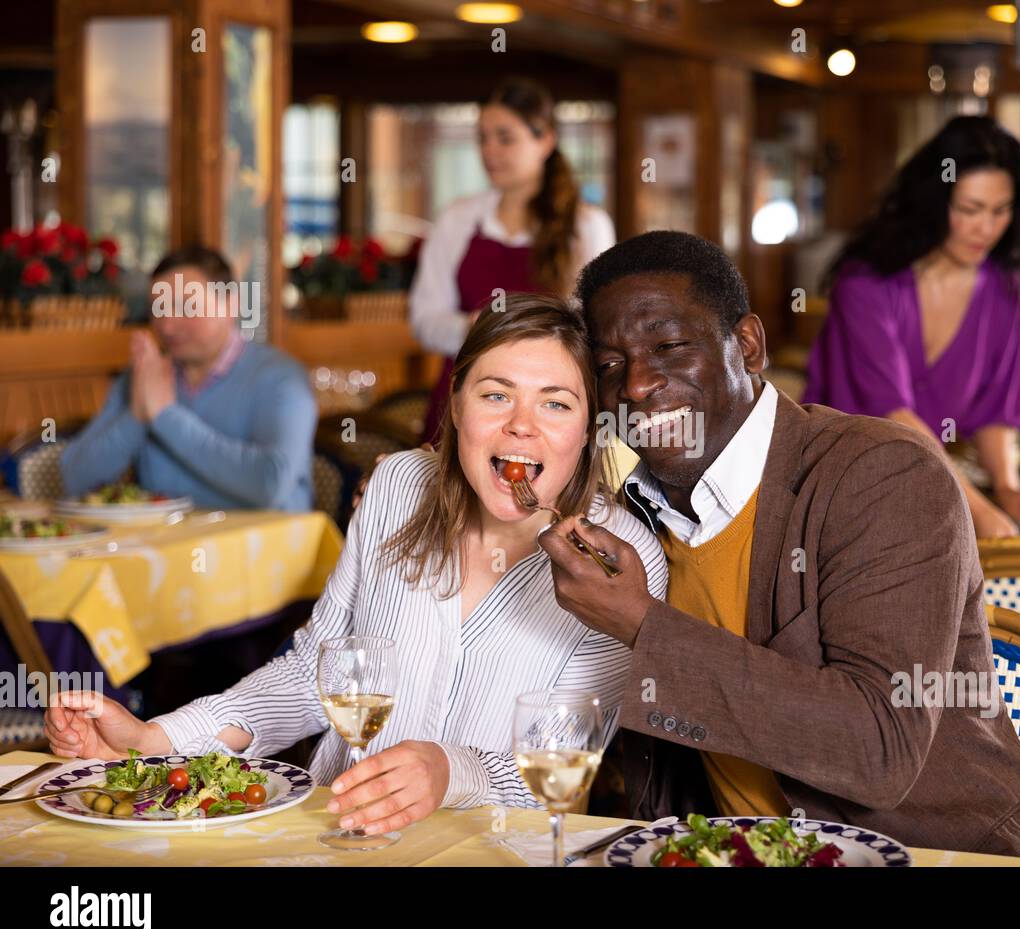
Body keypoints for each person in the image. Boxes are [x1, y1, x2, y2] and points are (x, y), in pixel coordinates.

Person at [538, 231, 1020, 860]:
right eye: (609, 365)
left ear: (747, 345)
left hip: (946, 854)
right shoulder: (630, 521)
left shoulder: (882, 476)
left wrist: (640, 623)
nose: (635, 384)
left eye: (668, 346)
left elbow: (880, 748)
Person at [46, 295, 668, 837]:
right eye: (496, 394)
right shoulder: (399, 486)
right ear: (455, 407)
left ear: (590, 428)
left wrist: (448, 771)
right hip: (329, 830)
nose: (522, 426)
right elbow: (311, 677)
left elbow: (560, 762)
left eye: (556, 404)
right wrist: (158, 741)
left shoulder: (621, 561)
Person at [803, 116, 1020, 538]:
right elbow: (891, 414)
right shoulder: (866, 284)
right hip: (842, 493)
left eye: (1000, 211)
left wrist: (1006, 487)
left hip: (929, 490)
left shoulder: (1000, 288)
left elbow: (996, 408)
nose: (986, 228)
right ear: (934, 201)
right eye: (970, 209)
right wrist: (978, 511)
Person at [409, 76, 615, 444]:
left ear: (545, 140)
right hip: (463, 405)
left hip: (547, 408)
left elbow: (593, 329)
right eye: (483, 138)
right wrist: (470, 327)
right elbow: (424, 320)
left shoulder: (588, 226)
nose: (490, 151)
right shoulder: (457, 219)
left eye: (505, 137)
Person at [60, 246, 316, 511]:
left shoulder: (281, 377)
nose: (167, 325)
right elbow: (74, 479)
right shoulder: (144, 376)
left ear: (231, 304)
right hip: (167, 546)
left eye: (186, 307)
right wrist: (136, 417)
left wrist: (164, 416)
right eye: (158, 309)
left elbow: (269, 484)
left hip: (269, 548)